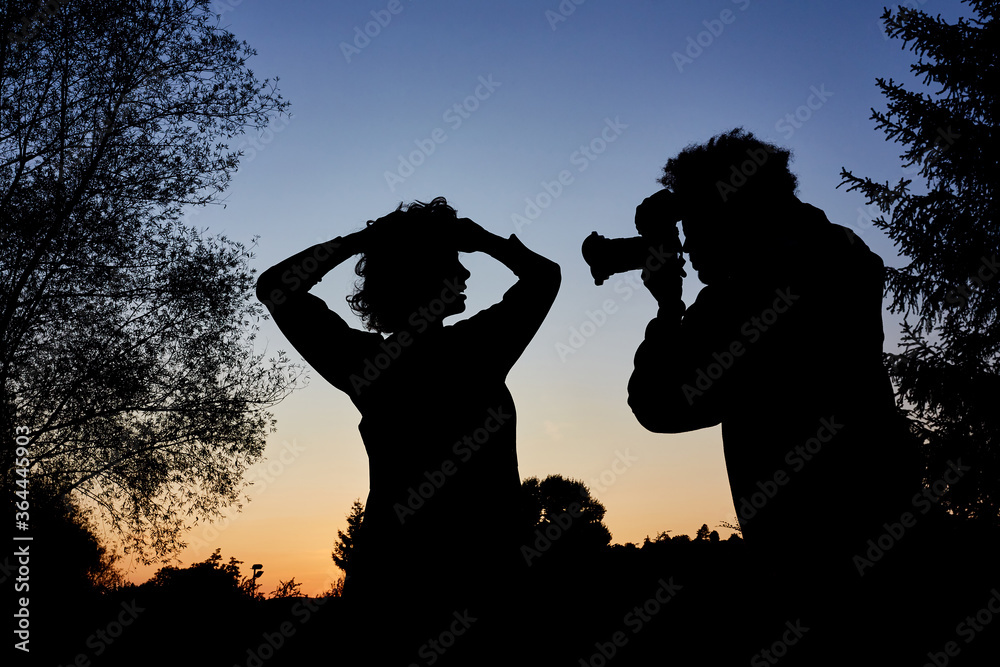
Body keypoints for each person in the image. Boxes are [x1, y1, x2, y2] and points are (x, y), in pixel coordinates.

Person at [626, 129, 923, 662]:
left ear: (731, 213)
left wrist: (669, 305)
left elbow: (659, 404)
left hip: (807, 556)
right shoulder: (844, 252)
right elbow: (795, 225)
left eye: (693, 228)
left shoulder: (748, 294)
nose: (688, 245)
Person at [255, 197, 560, 660]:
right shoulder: (480, 349)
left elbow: (276, 286)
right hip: (488, 575)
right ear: (427, 277)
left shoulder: (368, 365)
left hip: (389, 577)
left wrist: (359, 242)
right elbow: (544, 276)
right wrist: (484, 241)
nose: (467, 274)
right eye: (454, 263)